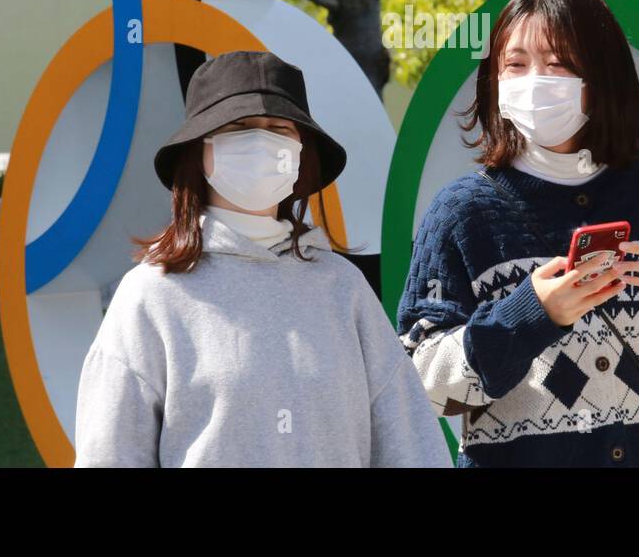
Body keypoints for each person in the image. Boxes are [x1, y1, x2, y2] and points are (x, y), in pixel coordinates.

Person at [396, 0, 639, 467]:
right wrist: (527, 316)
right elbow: (420, 383)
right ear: (494, 81)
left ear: (601, 78)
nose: (534, 81)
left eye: (558, 64)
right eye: (516, 65)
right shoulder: (461, 211)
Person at [74, 50, 451, 467]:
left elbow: (412, 445)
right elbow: (108, 456)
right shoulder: (151, 296)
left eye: (278, 128)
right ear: (199, 152)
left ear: (300, 153)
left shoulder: (343, 289)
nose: (262, 140)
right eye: (239, 127)